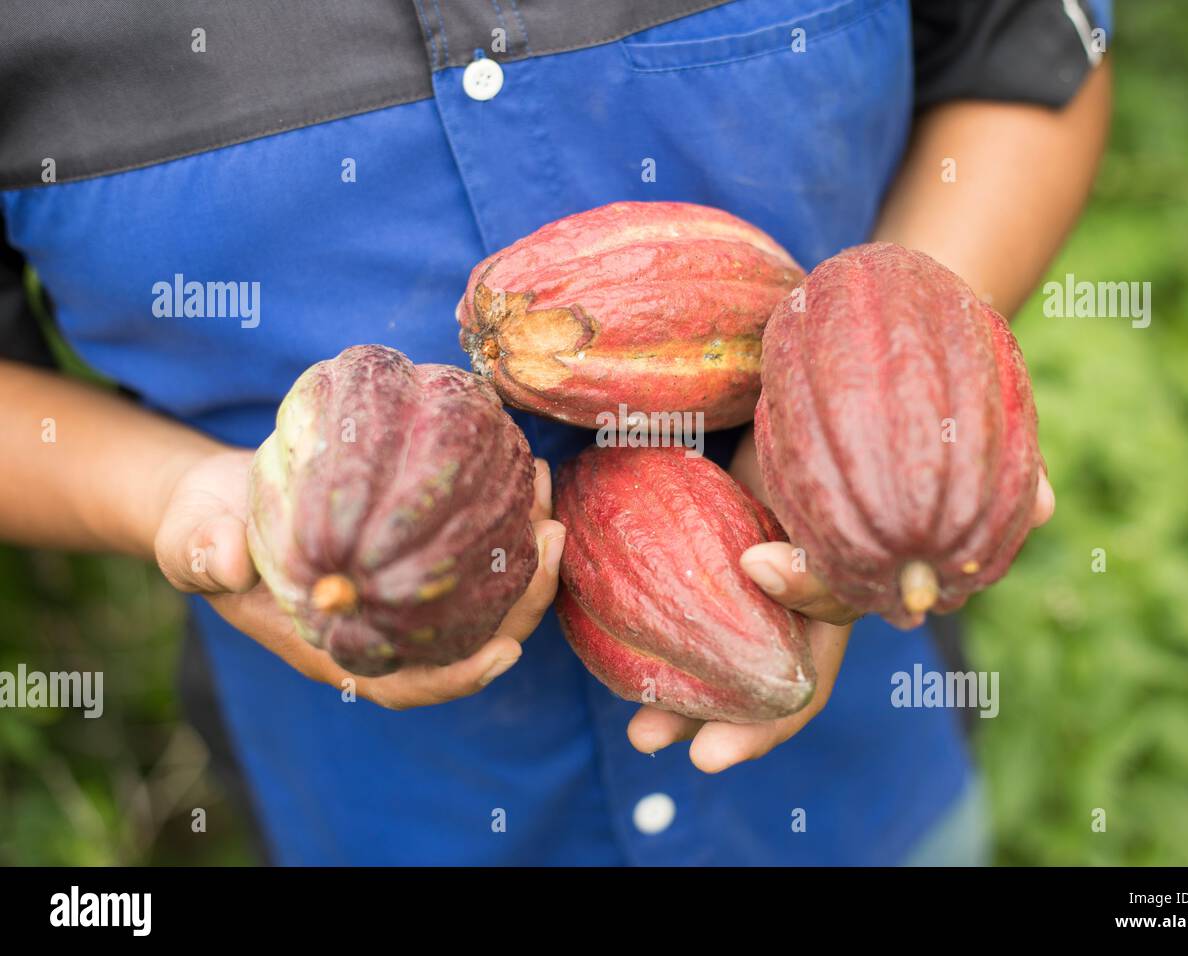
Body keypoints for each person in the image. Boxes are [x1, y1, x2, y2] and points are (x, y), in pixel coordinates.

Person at [0, 0, 1112, 864]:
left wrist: (882, 399)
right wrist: (169, 494)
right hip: (391, 809)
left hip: (857, 797)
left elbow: (1027, 63)